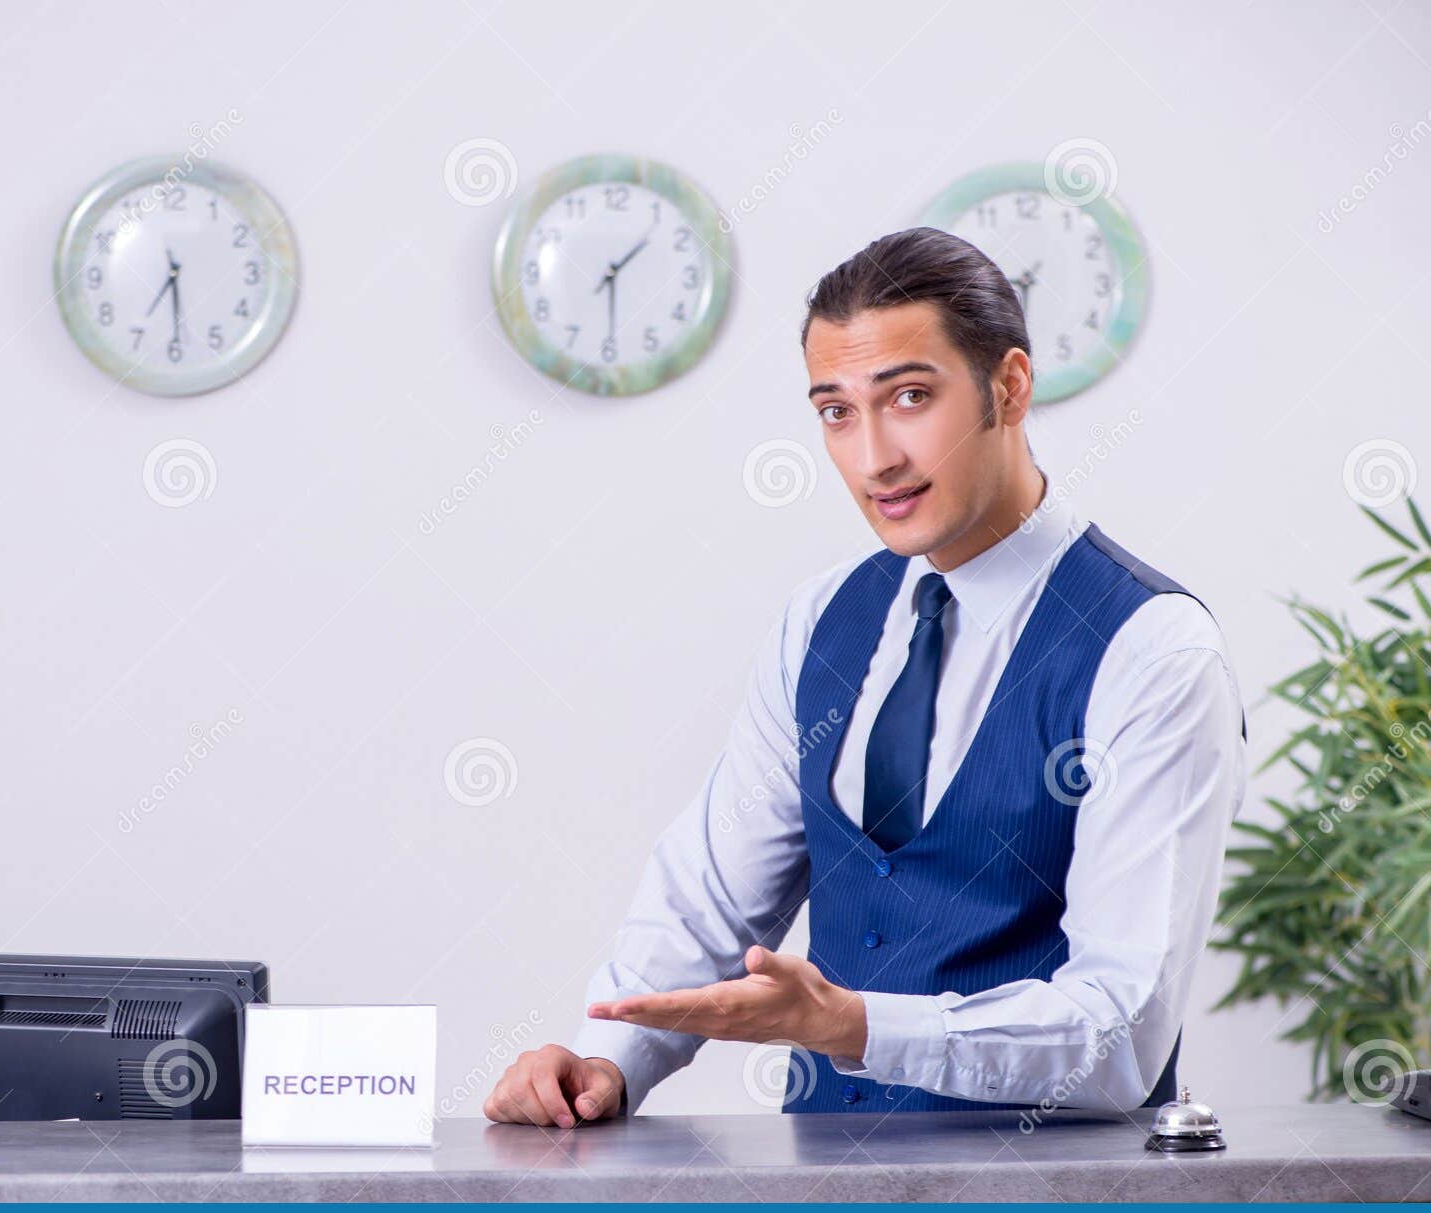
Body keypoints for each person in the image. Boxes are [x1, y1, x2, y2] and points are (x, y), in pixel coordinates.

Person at [483, 226, 1247, 1126]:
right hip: (827, 1203)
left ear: (1009, 385)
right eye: (836, 411)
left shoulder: (1151, 649)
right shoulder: (822, 621)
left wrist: (856, 1025)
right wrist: (607, 1056)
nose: (874, 456)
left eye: (910, 396)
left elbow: (1122, 1035)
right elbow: (714, 890)